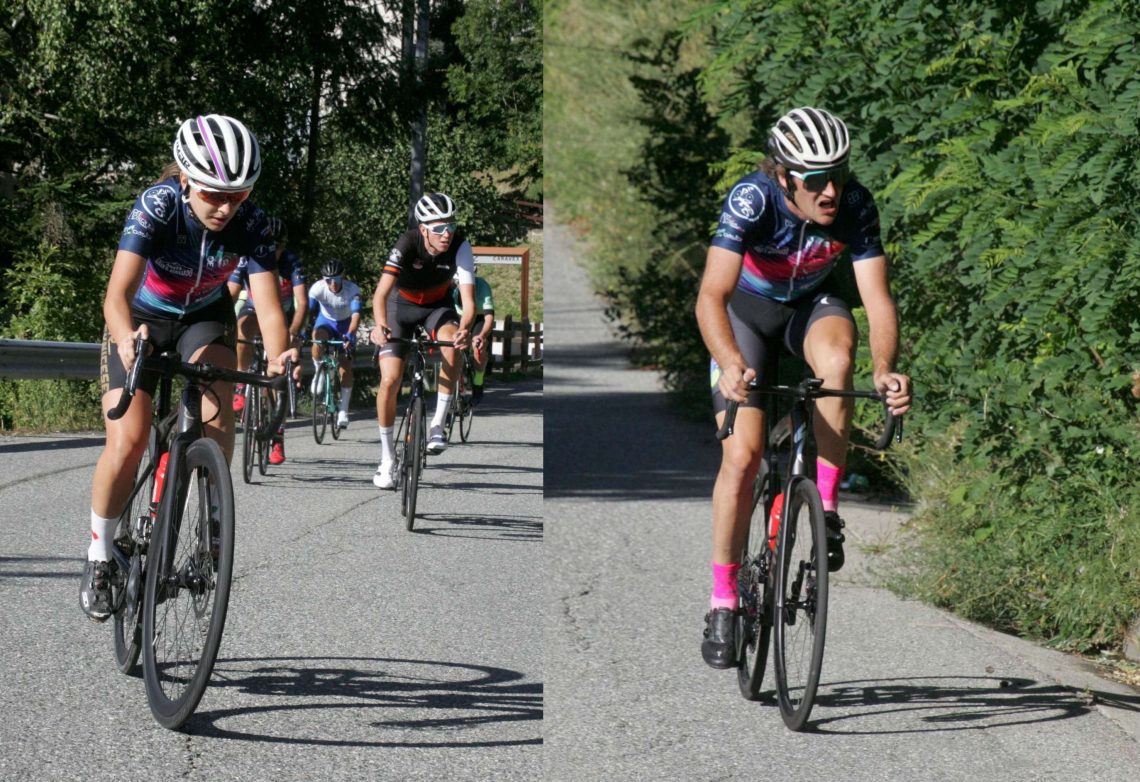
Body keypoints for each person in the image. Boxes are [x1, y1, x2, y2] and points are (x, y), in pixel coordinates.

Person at [694, 106, 912, 668]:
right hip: (745, 315)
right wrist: (730, 362)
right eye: (816, 180)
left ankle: (828, 506)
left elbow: (878, 299)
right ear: (785, 175)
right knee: (741, 461)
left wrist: (885, 369)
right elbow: (711, 296)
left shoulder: (856, 205)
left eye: (839, 172)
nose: (832, 190)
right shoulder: (753, 199)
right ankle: (723, 600)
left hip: (810, 307)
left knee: (838, 361)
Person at [81, 114, 294, 621]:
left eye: (237, 196)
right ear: (184, 179)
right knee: (129, 441)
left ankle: (212, 531)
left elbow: (267, 308)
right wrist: (124, 340)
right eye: (212, 194)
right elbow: (116, 295)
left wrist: (281, 351)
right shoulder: (157, 206)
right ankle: (98, 555)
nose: (224, 207)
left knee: (220, 423)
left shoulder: (254, 224)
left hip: (203, 317)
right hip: (142, 319)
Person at [370, 192, 475, 489]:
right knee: (390, 379)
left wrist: (466, 327)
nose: (447, 233)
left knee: (453, 343)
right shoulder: (407, 243)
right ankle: (387, 459)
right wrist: (379, 325)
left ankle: (437, 424)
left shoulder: (460, 245)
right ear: (423, 228)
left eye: (451, 226)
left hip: (436, 308)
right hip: (399, 307)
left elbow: (468, 301)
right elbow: (380, 294)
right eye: (439, 228)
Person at [228, 216, 307, 465]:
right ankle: (241, 383)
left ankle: (277, 436)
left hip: (282, 315)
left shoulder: (292, 263)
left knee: (276, 378)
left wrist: (294, 330)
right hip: (253, 309)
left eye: (278, 246)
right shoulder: (248, 257)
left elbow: (302, 303)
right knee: (242, 327)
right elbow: (230, 293)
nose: (273, 252)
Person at [306, 258, 361, 430]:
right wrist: (302, 330)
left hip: (346, 325)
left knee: (345, 367)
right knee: (317, 338)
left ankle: (343, 410)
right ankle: (318, 372)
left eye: (336, 279)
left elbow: (356, 316)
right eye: (328, 280)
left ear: (342, 278)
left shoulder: (352, 290)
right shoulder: (317, 288)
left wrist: (350, 335)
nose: (332, 283)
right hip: (326, 322)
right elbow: (307, 312)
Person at [451, 263, 495, 405]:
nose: (459, 285)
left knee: (478, 347)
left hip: (479, 318)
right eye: (457, 283)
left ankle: (478, 382)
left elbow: (489, 317)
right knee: (453, 346)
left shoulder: (482, 286)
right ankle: (457, 386)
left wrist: (481, 336)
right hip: (458, 316)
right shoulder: (450, 287)